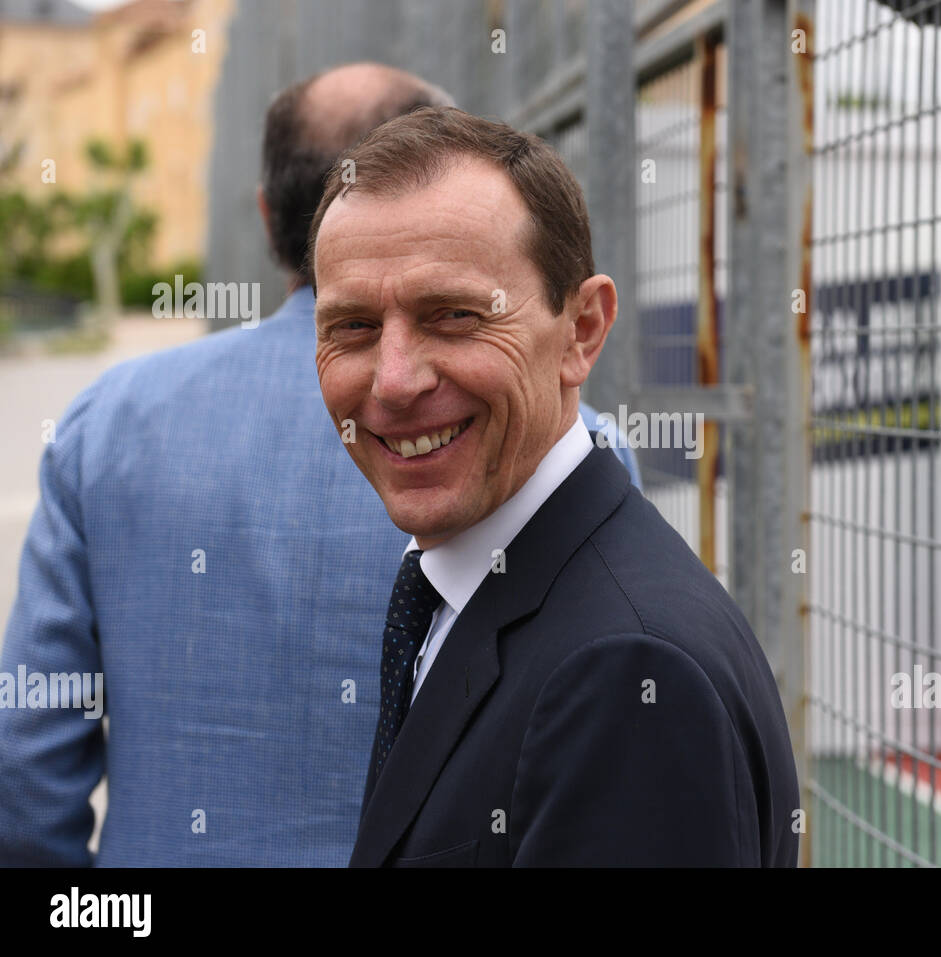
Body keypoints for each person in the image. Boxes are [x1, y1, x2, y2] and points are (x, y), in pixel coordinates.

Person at [0, 64, 639, 866]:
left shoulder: (104, 427)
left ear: (268, 217)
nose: (396, 381)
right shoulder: (558, 448)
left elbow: (25, 766)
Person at [310, 107, 799, 867]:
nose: (395, 381)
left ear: (582, 331)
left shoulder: (631, 677)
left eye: (454, 316)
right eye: (353, 327)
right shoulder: (493, 591)